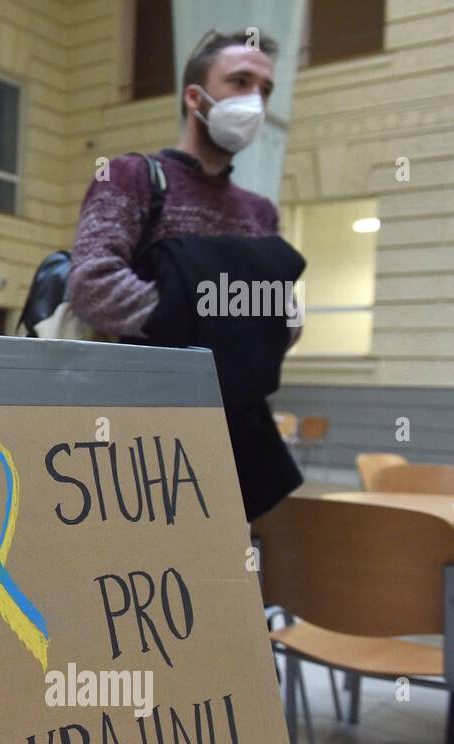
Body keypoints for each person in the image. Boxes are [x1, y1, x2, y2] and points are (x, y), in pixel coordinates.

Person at [67, 30, 304, 521]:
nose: (254, 100)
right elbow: (94, 282)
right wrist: (214, 321)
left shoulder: (261, 214)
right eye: (239, 81)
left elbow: (286, 316)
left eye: (264, 89)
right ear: (194, 96)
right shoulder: (131, 176)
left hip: (237, 436)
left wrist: (227, 322)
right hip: (143, 432)